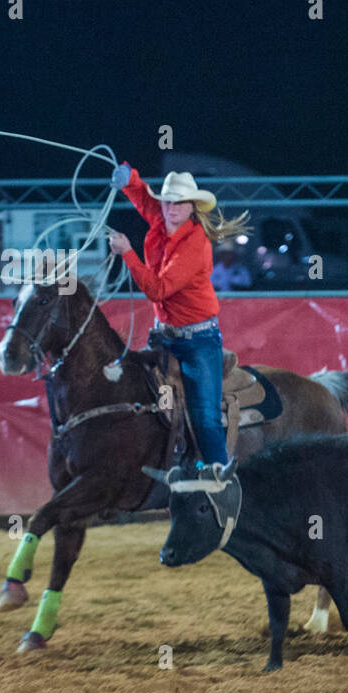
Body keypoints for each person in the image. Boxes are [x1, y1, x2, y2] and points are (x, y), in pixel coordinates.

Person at [107, 163, 250, 474]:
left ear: (192, 208)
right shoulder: (161, 219)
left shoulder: (195, 244)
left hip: (197, 341)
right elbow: (145, 200)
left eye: (179, 202)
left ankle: (220, 478)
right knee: (149, 404)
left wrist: (128, 253)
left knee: (204, 416)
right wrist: (130, 178)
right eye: (168, 201)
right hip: (165, 338)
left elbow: (159, 290)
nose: (171, 207)